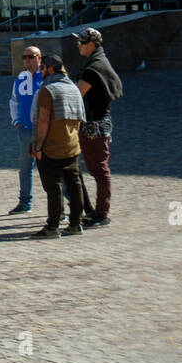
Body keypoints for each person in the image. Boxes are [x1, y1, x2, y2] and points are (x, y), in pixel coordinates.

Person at [29, 54, 87, 237]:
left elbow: (43, 120)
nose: (41, 72)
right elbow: (79, 119)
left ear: (50, 68)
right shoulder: (73, 88)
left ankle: (52, 226)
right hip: (72, 145)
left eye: (42, 68)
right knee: (74, 185)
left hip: (51, 147)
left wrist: (38, 146)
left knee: (53, 188)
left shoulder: (48, 90)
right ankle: (76, 224)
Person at [73, 27, 122, 227]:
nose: (78, 46)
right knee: (97, 169)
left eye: (81, 43)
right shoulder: (98, 61)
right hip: (98, 123)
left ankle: (101, 214)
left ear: (91, 44)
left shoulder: (94, 68)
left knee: (99, 170)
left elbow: (77, 94)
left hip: (95, 126)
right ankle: (96, 211)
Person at [8, 46, 43, 214]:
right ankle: (25, 202)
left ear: (39, 58)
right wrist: (16, 121)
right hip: (25, 130)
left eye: (31, 56)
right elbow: (14, 101)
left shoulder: (46, 77)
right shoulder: (20, 78)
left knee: (51, 169)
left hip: (44, 130)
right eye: (25, 57)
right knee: (25, 167)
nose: (27, 60)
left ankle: (65, 206)